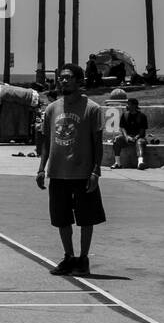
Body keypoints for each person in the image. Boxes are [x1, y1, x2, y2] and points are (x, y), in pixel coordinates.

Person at [36, 63, 105, 276]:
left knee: (86, 219)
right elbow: (47, 142)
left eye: (68, 77)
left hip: (83, 173)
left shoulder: (92, 108)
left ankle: (83, 259)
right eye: (61, 78)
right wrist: (41, 169)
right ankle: (68, 257)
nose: (63, 81)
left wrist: (95, 172)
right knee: (61, 219)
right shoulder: (51, 108)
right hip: (57, 173)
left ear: (78, 80)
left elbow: (98, 143)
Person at [111, 97, 149, 170]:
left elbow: (142, 131)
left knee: (140, 142)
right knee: (116, 139)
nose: (127, 106)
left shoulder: (142, 116)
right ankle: (117, 163)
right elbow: (122, 128)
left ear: (134, 106)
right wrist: (126, 137)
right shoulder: (125, 115)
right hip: (127, 137)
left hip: (139, 137)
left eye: (129, 104)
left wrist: (136, 137)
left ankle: (140, 163)